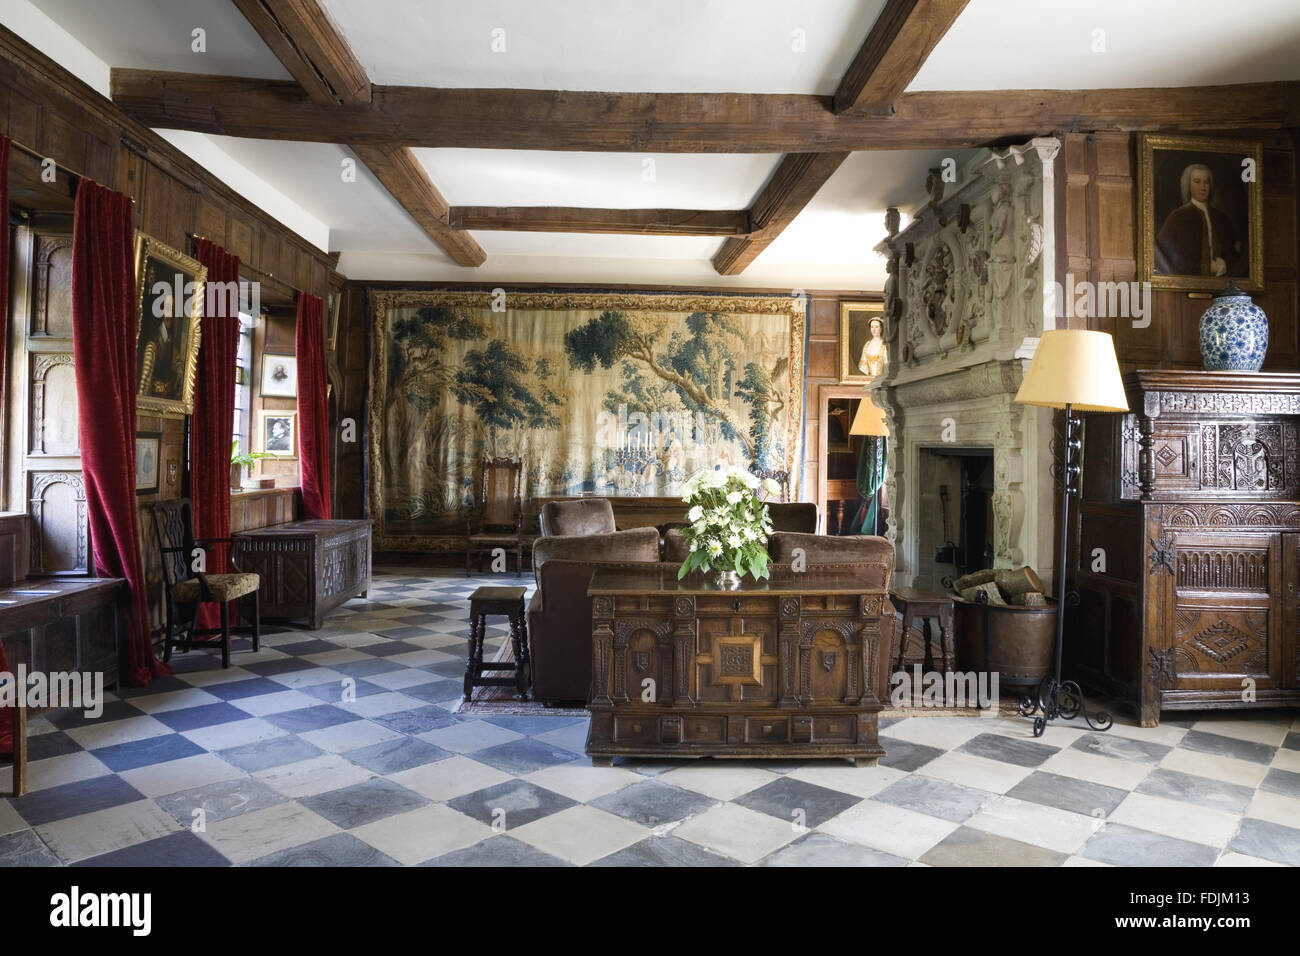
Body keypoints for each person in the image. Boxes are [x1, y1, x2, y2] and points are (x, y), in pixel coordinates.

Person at [1155, 162, 1241, 277]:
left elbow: (1234, 253)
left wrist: (1223, 265)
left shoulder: (1221, 217)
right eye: (1197, 182)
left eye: (1206, 182)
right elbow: (1162, 254)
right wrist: (1204, 266)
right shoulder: (1177, 216)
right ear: (1188, 185)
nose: (1203, 187)